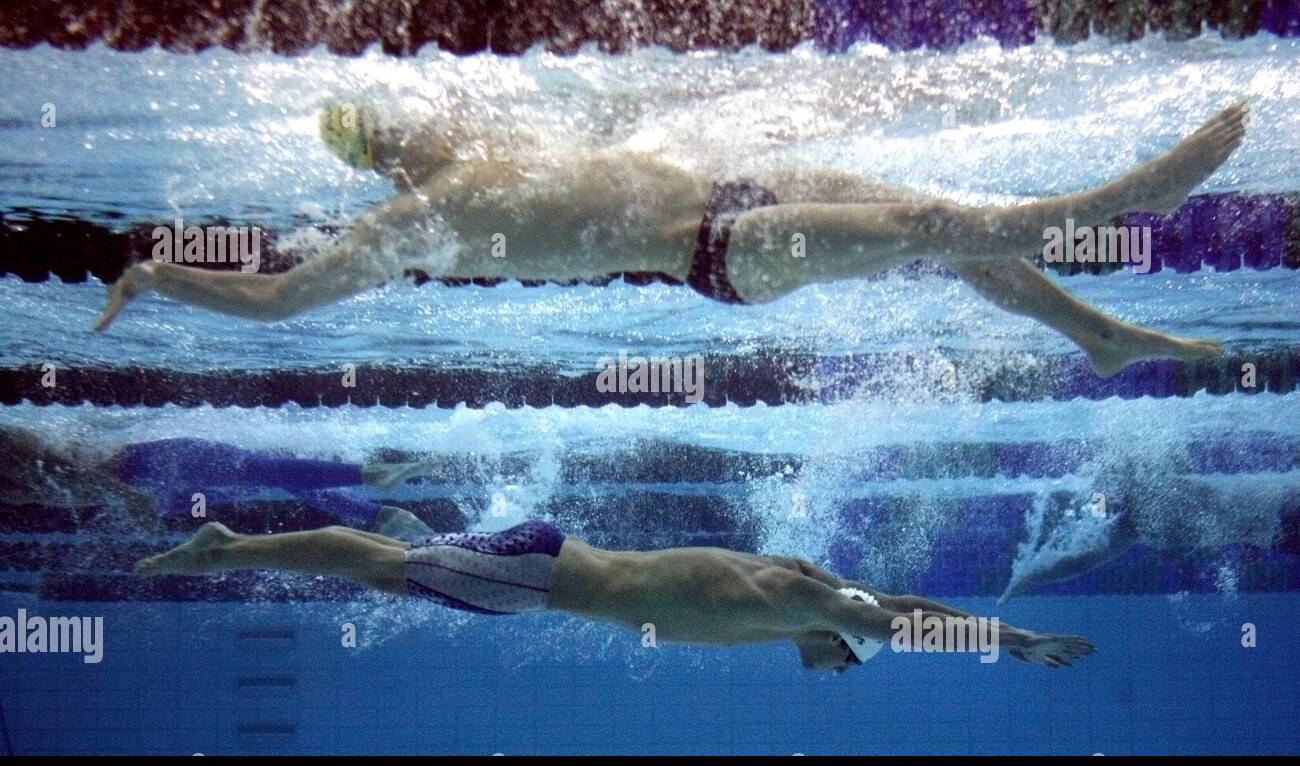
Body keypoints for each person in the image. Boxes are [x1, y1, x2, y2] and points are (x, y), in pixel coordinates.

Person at [95, 100, 1250, 377]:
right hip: (720, 250)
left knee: (940, 233)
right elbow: (281, 301)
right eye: (380, 133)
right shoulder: (411, 223)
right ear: (378, 166)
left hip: (735, 184)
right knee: (925, 223)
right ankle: (1130, 193)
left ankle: (1092, 329)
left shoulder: (474, 133)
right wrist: (157, 272)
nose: (406, 120)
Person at [136, 518, 1096, 671]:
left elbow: (888, 599)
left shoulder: (797, 595)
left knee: (392, 559)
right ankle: (226, 546)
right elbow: (903, 622)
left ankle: (235, 545)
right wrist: (1012, 642)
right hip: (537, 579)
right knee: (377, 565)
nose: (831, 670)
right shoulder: (825, 611)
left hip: (539, 570)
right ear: (843, 635)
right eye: (846, 661)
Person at [0, 425, 433, 539]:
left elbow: (85, 474)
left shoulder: (12, 447)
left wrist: (130, 504)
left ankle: (370, 478)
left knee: (261, 469)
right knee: (268, 476)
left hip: (150, 464)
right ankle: (377, 513)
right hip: (166, 492)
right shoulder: (12, 490)